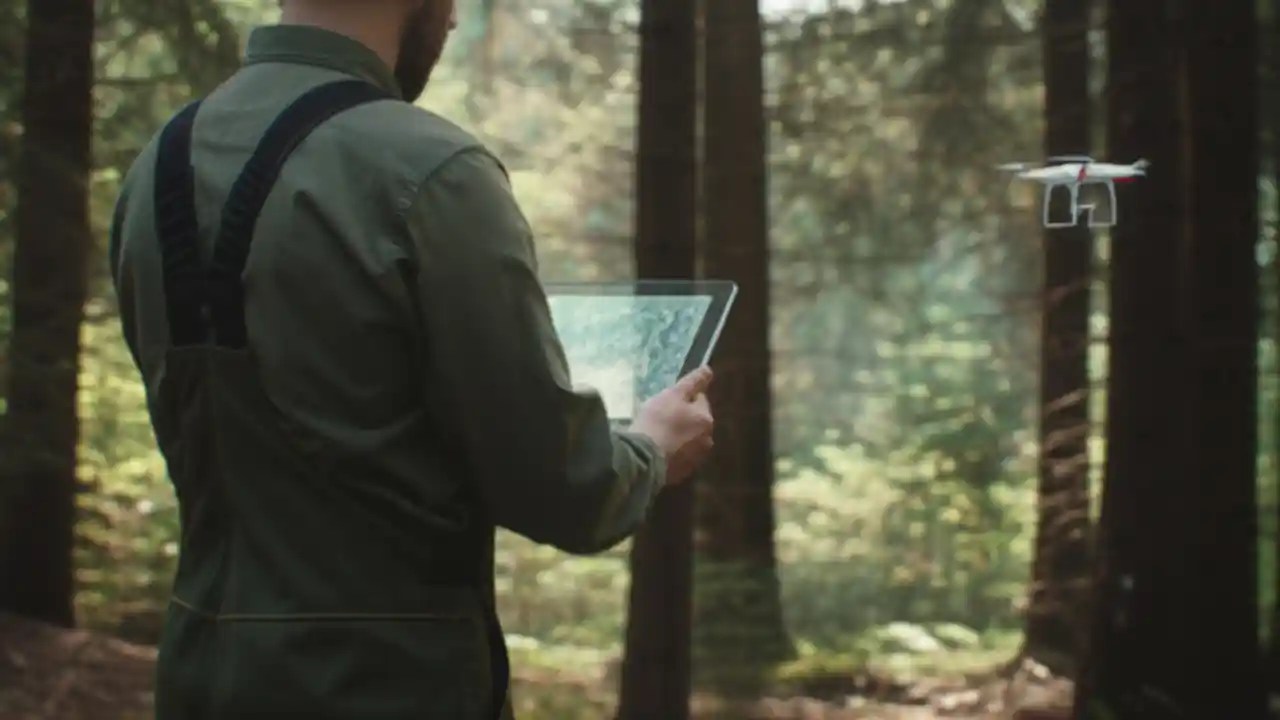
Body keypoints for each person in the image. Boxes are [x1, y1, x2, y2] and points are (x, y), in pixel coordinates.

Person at [107, 0, 717, 717]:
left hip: (196, 677)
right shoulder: (431, 169)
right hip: (388, 685)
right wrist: (650, 446)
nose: (455, 20)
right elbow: (562, 489)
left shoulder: (159, 163)